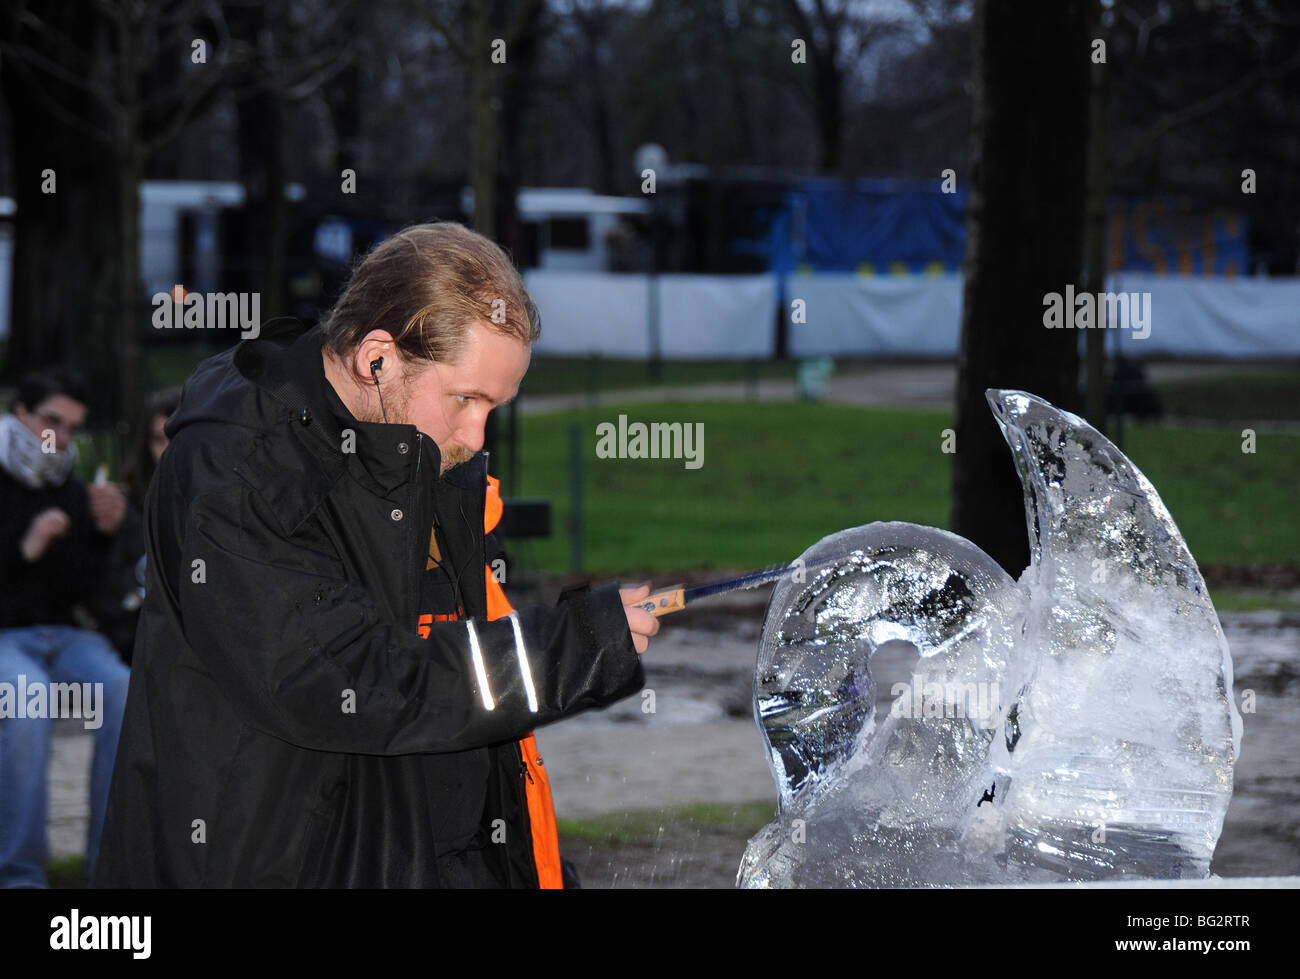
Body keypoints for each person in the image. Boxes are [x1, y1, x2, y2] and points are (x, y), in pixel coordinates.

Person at [94, 222, 659, 888]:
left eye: (494, 407)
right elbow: (354, 682)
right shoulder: (242, 471)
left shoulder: (415, 451)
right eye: (467, 398)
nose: (478, 435)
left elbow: (469, 692)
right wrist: (570, 646)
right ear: (377, 358)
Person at [0, 367, 130, 887]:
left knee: (122, 689)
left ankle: (108, 870)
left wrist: (103, 534)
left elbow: (78, 594)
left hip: (63, 634)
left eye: (73, 428)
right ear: (21, 415)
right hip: (7, 638)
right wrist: (22, 549)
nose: (61, 438)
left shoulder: (72, 488)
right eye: (52, 421)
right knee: (28, 698)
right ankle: (21, 875)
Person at [89, 386, 182, 663]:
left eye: (176, 438)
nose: (166, 450)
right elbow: (106, 601)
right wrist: (104, 534)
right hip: (136, 647)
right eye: (157, 439)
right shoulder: (125, 509)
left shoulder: (222, 506)